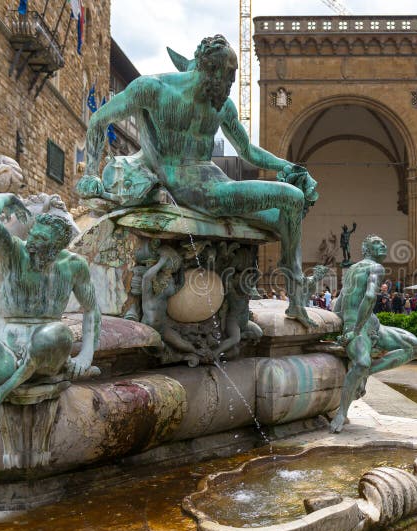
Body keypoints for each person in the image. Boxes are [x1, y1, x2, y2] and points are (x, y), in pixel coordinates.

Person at [76, 35, 318, 328]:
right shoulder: (154, 89)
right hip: (188, 184)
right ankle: (295, 291)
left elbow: (247, 151)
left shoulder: (222, 105)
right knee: (291, 198)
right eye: (229, 77)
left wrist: (291, 166)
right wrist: (89, 173)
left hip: (216, 184)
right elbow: (98, 120)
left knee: (285, 218)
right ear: (210, 69)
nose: (231, 85)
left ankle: (286, 302)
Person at [0, 193, 101, 467]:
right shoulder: (12, 251)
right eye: (33, 239)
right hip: (5, 342)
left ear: (58, 247)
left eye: (42, 244)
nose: (33, 248)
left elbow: (91, 310)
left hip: (48, 343)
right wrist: (10, 198)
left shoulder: (73, 265)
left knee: (55, 334)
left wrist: (86, 354)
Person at [331, 235, 417, 433]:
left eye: (384, 242)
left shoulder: (351, 270)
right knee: (362, 363)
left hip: (370, 324)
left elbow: (339, 302)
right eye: (377, 243)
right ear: (366, 249)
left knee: (416, 346)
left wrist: (335, 324)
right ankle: (341, 412)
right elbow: (370, 295)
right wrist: (352, 330)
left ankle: (367, 373)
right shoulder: (376, 268)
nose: (383, 245)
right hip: (357, 325)